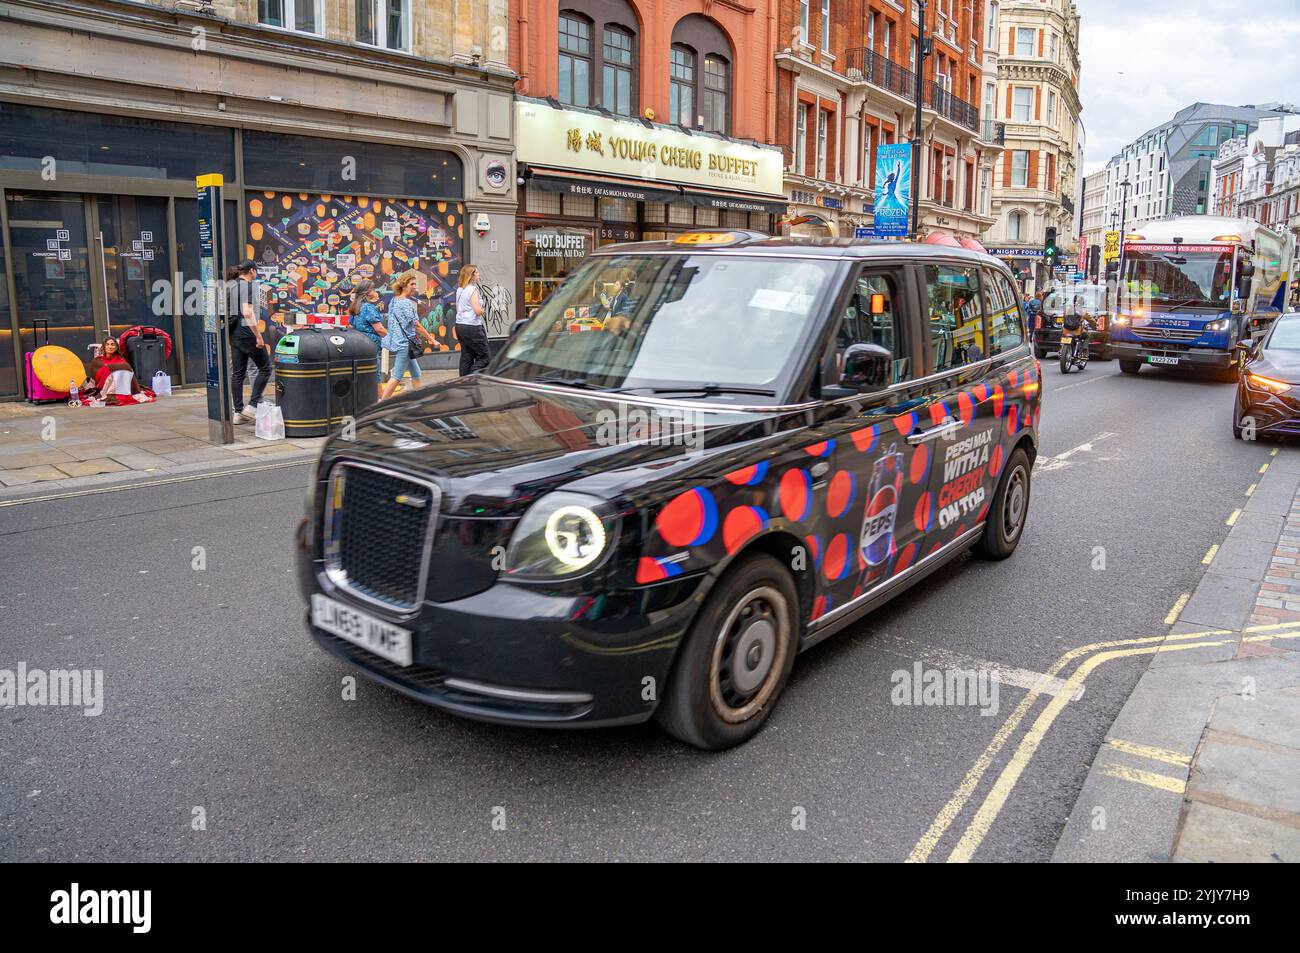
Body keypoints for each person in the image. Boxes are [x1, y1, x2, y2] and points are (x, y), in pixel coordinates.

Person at [379, 271, 437, 401]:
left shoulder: (394, 300)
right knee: (396, 377)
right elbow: (416, 325)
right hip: (404, 344)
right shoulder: (405, 303)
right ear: (404, 285)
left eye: (415, 284)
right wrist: (432, 339)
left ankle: (419, 400)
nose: (415, 287)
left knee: (416, 373)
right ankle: (381, 405)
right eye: (412, 284)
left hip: (401, 342)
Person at [225, 260, 269, 423]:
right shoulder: (249, 286)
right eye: (255, 271)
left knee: (238, 374)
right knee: (265, 368)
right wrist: (258, 336)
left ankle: (237, 413)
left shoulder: (231, 285)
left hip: (233, 334)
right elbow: (248, 312)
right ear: (251, 271)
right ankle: (253, 405)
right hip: (247, 333)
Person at [348, 281, 387, 395]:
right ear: (368, 293)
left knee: (363, 374)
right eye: (373, 290)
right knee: (376, 374)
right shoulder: (368, 308)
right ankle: (381, 403)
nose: (375, 292)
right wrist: (392, 338)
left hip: (359, 345)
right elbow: (379, 329)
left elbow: (351, 326)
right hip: (371, 346)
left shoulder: (355, 307)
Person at [454, 264, 491, 376]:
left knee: (467, 356)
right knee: (485, 358)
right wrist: (483, 310)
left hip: (460, 326)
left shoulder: (460, 290)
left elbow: (458, 308)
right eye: (477, 273)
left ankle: (462, 382)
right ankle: (471, 376)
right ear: (471, 275)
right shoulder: (472, 289)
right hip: (472, 327)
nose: (479, 275)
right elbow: (477, 311)